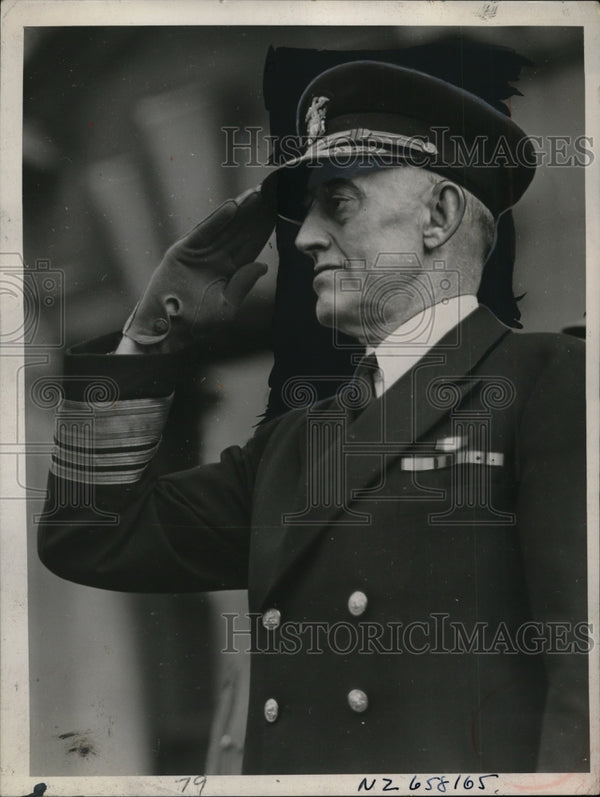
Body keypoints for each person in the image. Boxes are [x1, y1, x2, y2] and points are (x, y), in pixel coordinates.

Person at [38, 61, 588, 775]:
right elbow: (87, 534)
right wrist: (151, 339)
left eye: (340, 202)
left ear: (438, 216)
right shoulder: (295, 445)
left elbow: (587, 682)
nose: (304, 237)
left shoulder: (552, 383)